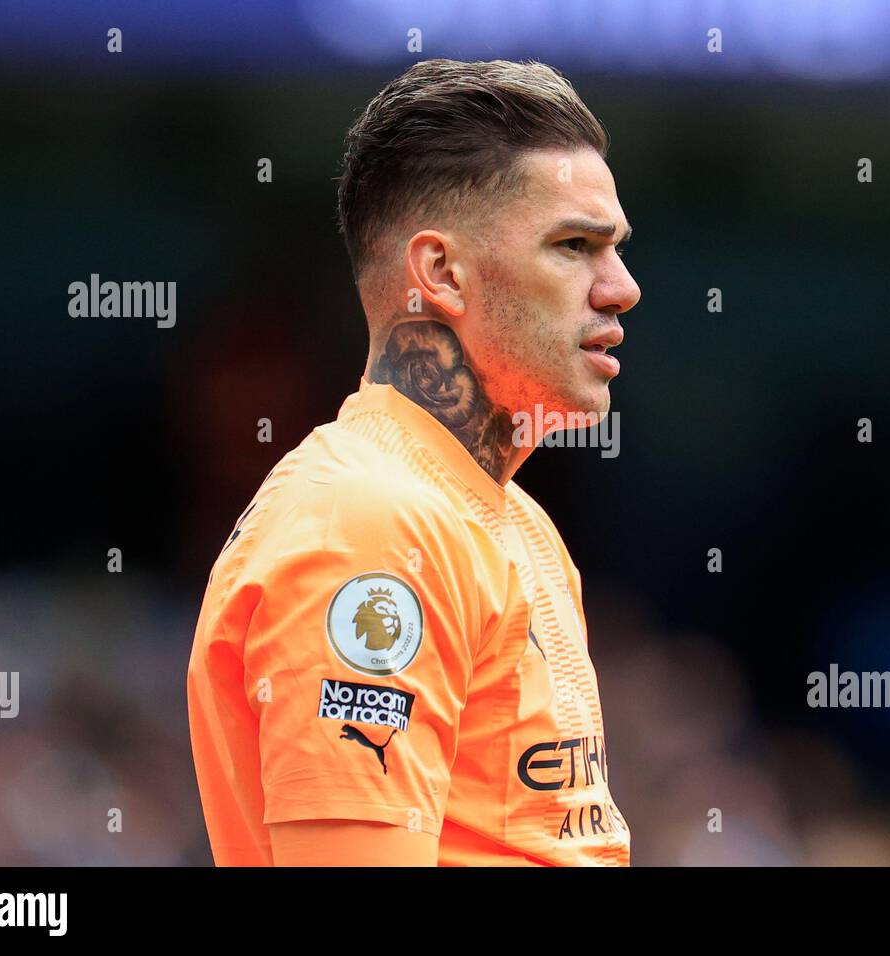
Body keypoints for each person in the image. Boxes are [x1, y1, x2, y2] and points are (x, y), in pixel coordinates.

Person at [186, 58, 641, 866]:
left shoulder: (511, 518)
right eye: (575, 246)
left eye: (615, 250)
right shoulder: (369, 523)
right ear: (439, 274)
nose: (622, 288)